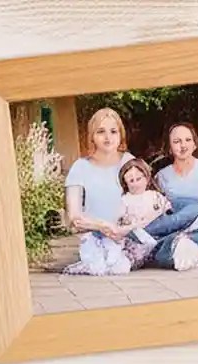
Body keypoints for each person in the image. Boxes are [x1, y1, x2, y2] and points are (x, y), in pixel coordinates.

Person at [61, 108, 148, 276]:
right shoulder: (80, 167)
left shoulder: (129, 162)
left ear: (120, 135)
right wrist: (103, 226)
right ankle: (83, 265)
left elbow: (142, 203)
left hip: (126, 235)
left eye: (113, 131)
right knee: (98, 269)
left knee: (119, 268)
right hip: (94, 235)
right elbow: (74, 217)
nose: (108, 137)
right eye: (101, 132)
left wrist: (124, 229)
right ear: (92, 136)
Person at [141, 122, 198, 272]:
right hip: (173, 225)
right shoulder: (161, 176)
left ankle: (145, 233)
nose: (183, 145)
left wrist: (197, 215)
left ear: (195, 144)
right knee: (163, 249)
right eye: (177, 141)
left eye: (188, 140)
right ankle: (179, 243)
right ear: (169, 147)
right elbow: (159, 211)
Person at [114, 158, 198, 240]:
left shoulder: (154, 195)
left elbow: (168, 210)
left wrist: (167, 212)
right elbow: (119, 221)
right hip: (144, 229)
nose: (136, 184)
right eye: (131, 181)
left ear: (147, 179)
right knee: (172, 224)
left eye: (138, 179)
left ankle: (194, 219)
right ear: (125, 184)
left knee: (179, 216)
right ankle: (189, 225)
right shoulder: (126, 200)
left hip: (162, 223)